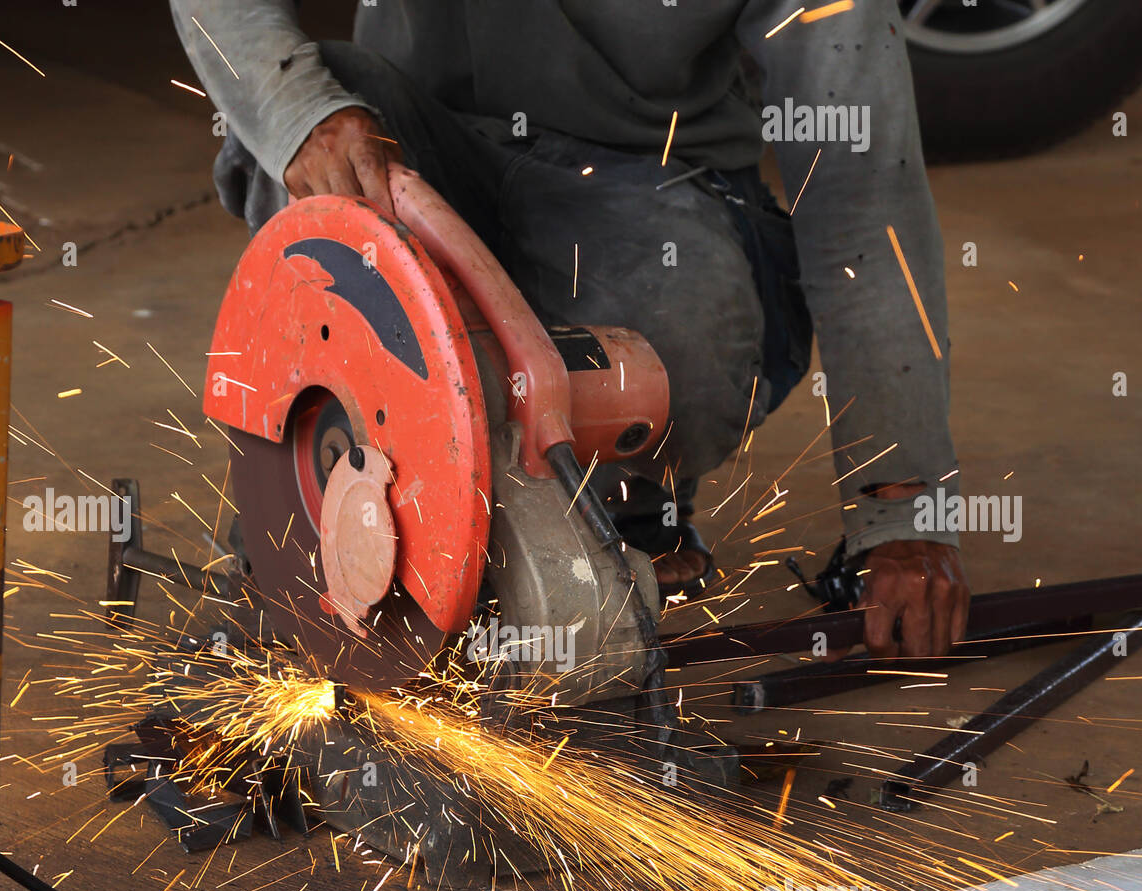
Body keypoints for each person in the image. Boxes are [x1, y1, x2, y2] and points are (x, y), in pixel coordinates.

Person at [172, 1, 970, 657]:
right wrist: (302, 113)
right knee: (302, 106)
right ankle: (332, 467)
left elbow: (865, 206)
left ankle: (622, 502)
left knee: (681, 356)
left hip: (648, 181)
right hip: (420, 144)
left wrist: (900, 513)